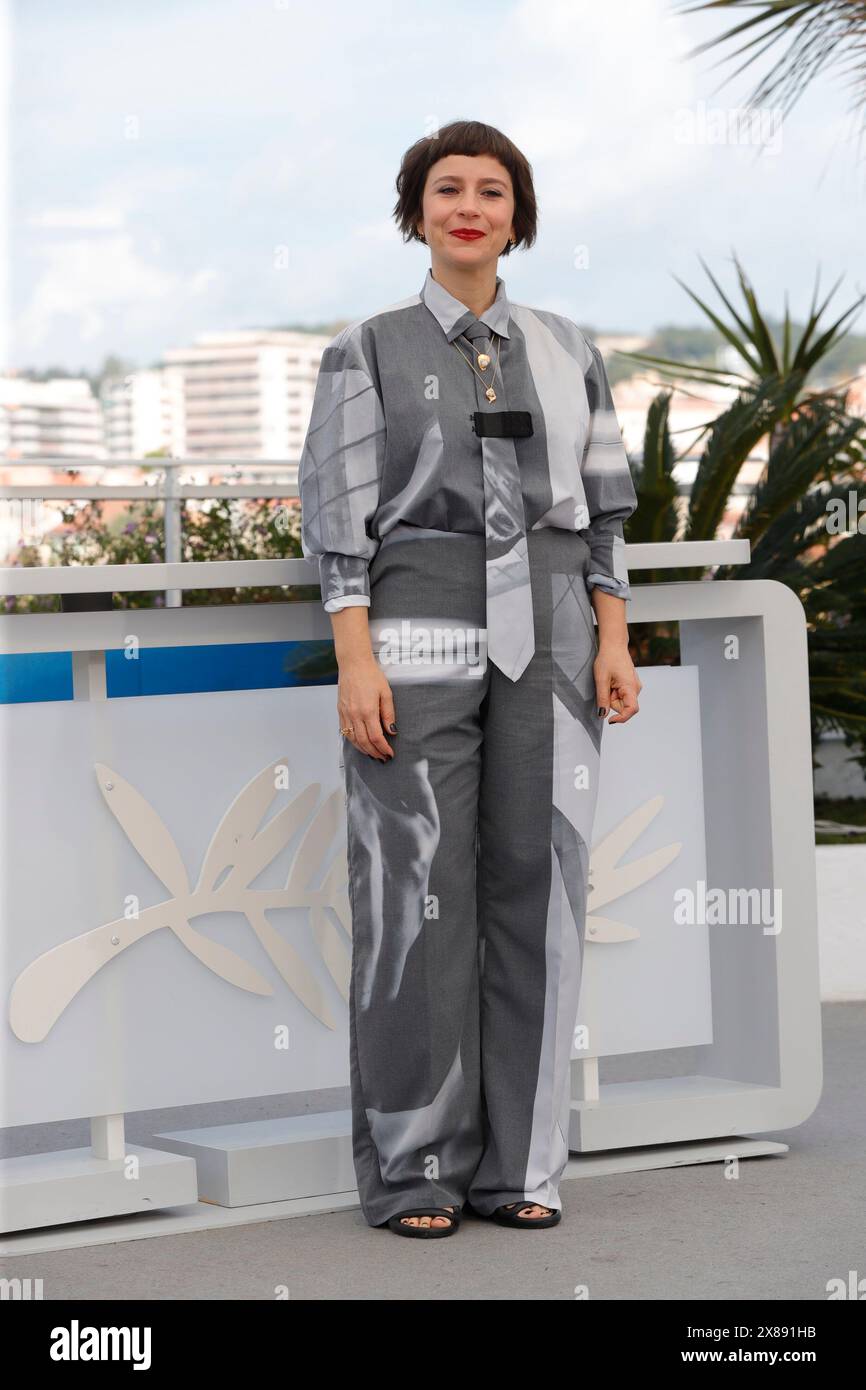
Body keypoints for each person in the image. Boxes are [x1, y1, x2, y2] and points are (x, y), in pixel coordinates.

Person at [298, 119, 641, 1239]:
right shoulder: (366, 350)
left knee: (539, 893)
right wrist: (356, 654)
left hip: (548, 624)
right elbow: (336, 521)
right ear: (415, 211)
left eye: (491, 191)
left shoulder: (566, 345)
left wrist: (611, 632)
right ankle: (413, 1167)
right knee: (413, 896)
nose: (469, 206)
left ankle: (522, 1165)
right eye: (447, 188)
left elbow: (603, 512)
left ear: (516, 217)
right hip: (415, 620)